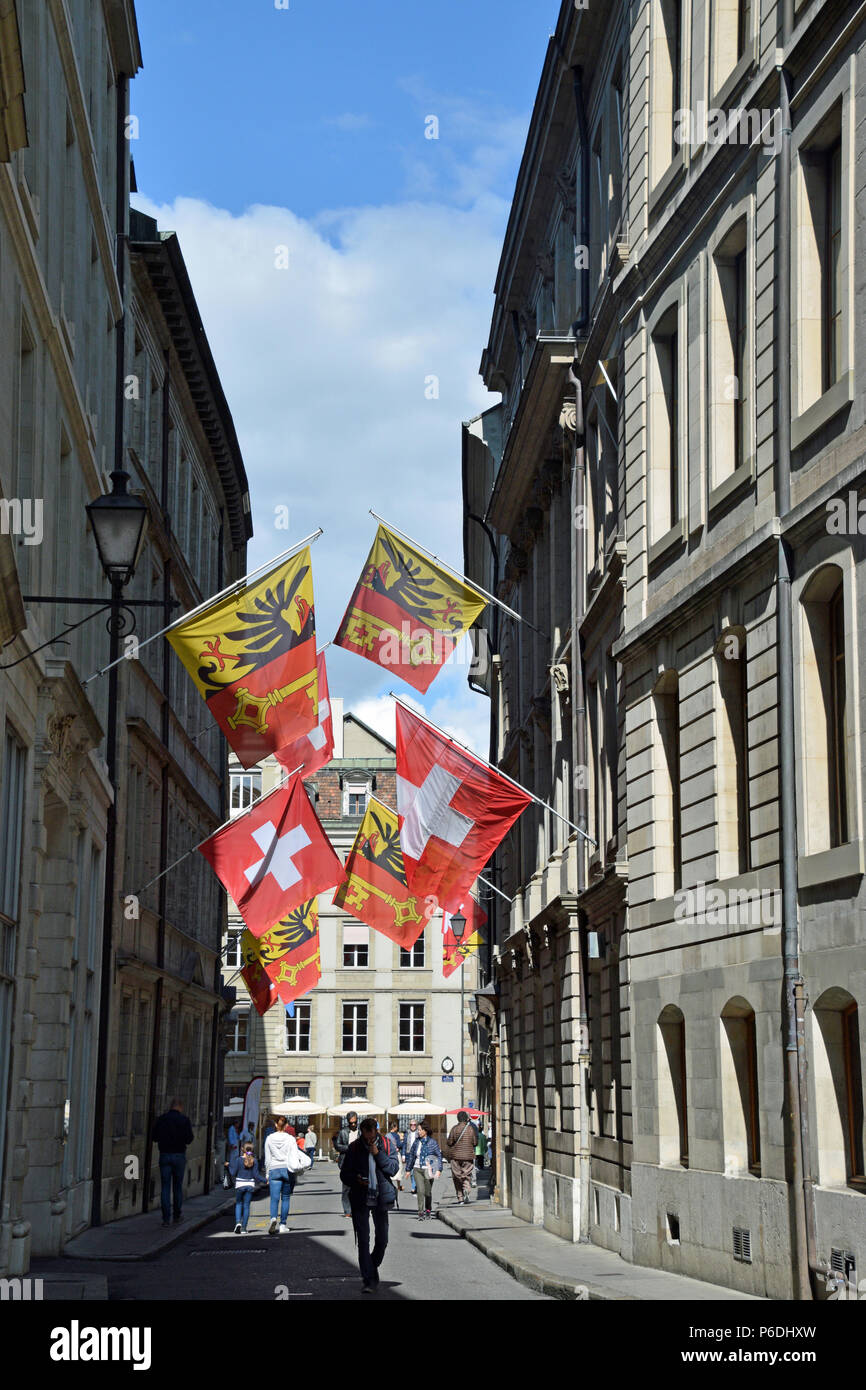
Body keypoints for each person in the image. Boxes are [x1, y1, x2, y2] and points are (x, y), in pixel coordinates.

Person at [340, 1116, 399, 1293]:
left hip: (381, 1197)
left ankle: (371, 1267)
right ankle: (369, 1280)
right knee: (363, 1240)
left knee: (383, 1239)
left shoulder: (387, 1145)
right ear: (362, 1133)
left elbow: (393, 1169)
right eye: (365, 1137)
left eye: (371, 1137)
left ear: (376, 1132)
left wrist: (377, 1153)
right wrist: (356, 1179)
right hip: (360, 1198)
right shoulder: (354, 1147)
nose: (368, 1140)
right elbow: (344, 1174)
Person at [152, 1098, 194, 1228]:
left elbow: (154, 1137)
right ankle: (176, 1216)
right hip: (179, 1155)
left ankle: (166, 1218)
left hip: (164, 1155)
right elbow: (189, 1139)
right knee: (177, 1187)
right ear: (180, 1107)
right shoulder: (184, 1120)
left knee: (165, 1187)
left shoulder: (162, 1119)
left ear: (171, 1107)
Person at [264, 1115, 299, 1234]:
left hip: (274, 1168)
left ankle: (273, 1218)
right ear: (286, 1125)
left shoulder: (269, 1138)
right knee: (286, 1198)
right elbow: (294, 1155)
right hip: (287, 1169)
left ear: (275, 1125)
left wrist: (267, 1174)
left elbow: (268, 1158)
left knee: (274, 1199)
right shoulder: (290, 1139)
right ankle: (283, 1224)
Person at [405, 1120, 442, 1219]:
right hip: (417, 1169)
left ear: (425, 1130)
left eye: (420, 1130)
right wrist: (408, 1169)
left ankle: (428, 1209)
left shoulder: (432, 1142)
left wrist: (439, 1169)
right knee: (420, 1191)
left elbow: (438, 1156)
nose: (418, 1132)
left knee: (427, 1192)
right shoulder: (416, 1142)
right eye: (418, 1130)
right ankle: (420, 1212)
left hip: (429, 1170)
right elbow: (412, 1156)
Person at [444, 1110, 478, 1205]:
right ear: (466, 1119)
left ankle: (460, 1198)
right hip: (468, 1156)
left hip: (455, 1156)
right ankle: (466, 1188)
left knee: (456, 1176)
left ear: (458, 1118)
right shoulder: (471, 1129)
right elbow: (475, 1143)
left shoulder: (454, 1129)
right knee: (466, 1174)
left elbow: (449, 1142)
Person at [230, 1142, 262, 1234]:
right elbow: (256, 1175)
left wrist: (228, 1167)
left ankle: (238, 1222)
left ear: (242, 1149)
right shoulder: (254, 1160)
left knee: (239, 1204)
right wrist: (265, 1180)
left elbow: (233, 1173)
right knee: (247, 1206)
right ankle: (244, 1228)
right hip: (250, 1185)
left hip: (240, 1185)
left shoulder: (238, 1160)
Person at [333, 1110, 361, 1217]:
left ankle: (357, 1209)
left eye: (355, 1122)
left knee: (358, 1187)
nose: (353, 1125)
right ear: (348, 1122)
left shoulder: (360, 1132)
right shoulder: (343, 1132)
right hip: (346, 1163)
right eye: (351, 1123)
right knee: (346, 1188)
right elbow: (337, 1145)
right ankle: (347, 1211)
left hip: (359, 1163)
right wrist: (349, 1148)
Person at [387, 1120, 405, 1190]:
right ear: (394, 1127)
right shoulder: (396, 1135)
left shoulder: (387, 1135)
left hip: (388, 1154)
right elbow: (399, 1145)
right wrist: (402, 1141)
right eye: (396, 1126)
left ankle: (390, 1184)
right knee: (399, 1168)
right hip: (396, 1154)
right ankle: (398, 1186)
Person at [403, 1119, 420, 1193]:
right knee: (411, 1171)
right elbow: (404, 1144)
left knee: (416, 1171)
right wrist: (403, 1154)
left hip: (416, 1154)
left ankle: (416, 1186)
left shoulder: (419, 1132)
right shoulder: (407, 1133)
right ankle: (413, 1186)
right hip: (408, 1154)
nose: (412, 1126)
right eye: (411, 1125)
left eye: (414, 1125)